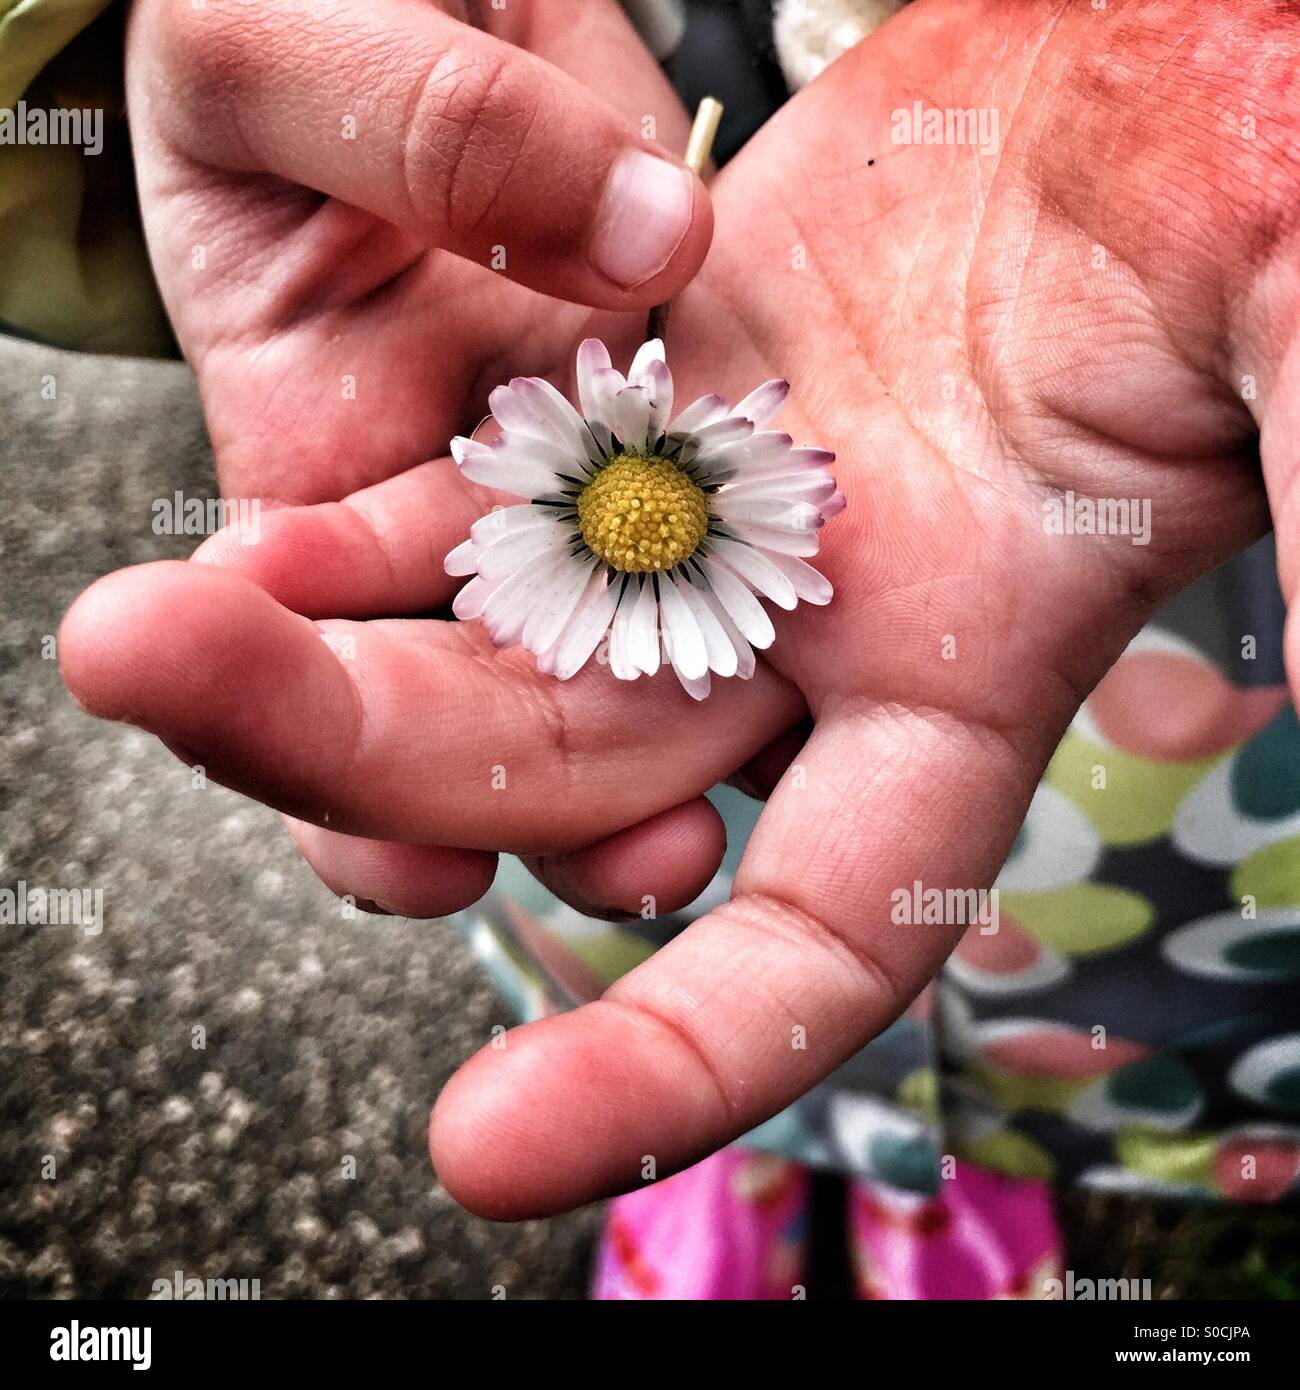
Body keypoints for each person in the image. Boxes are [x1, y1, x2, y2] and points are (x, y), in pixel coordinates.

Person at [15, 0, 1300, 1294]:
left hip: (1164, 532)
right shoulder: (544, 454)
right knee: (645, 869)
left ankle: (975, 1160)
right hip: (582, 168)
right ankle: (754, 1142)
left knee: (1050, 926)